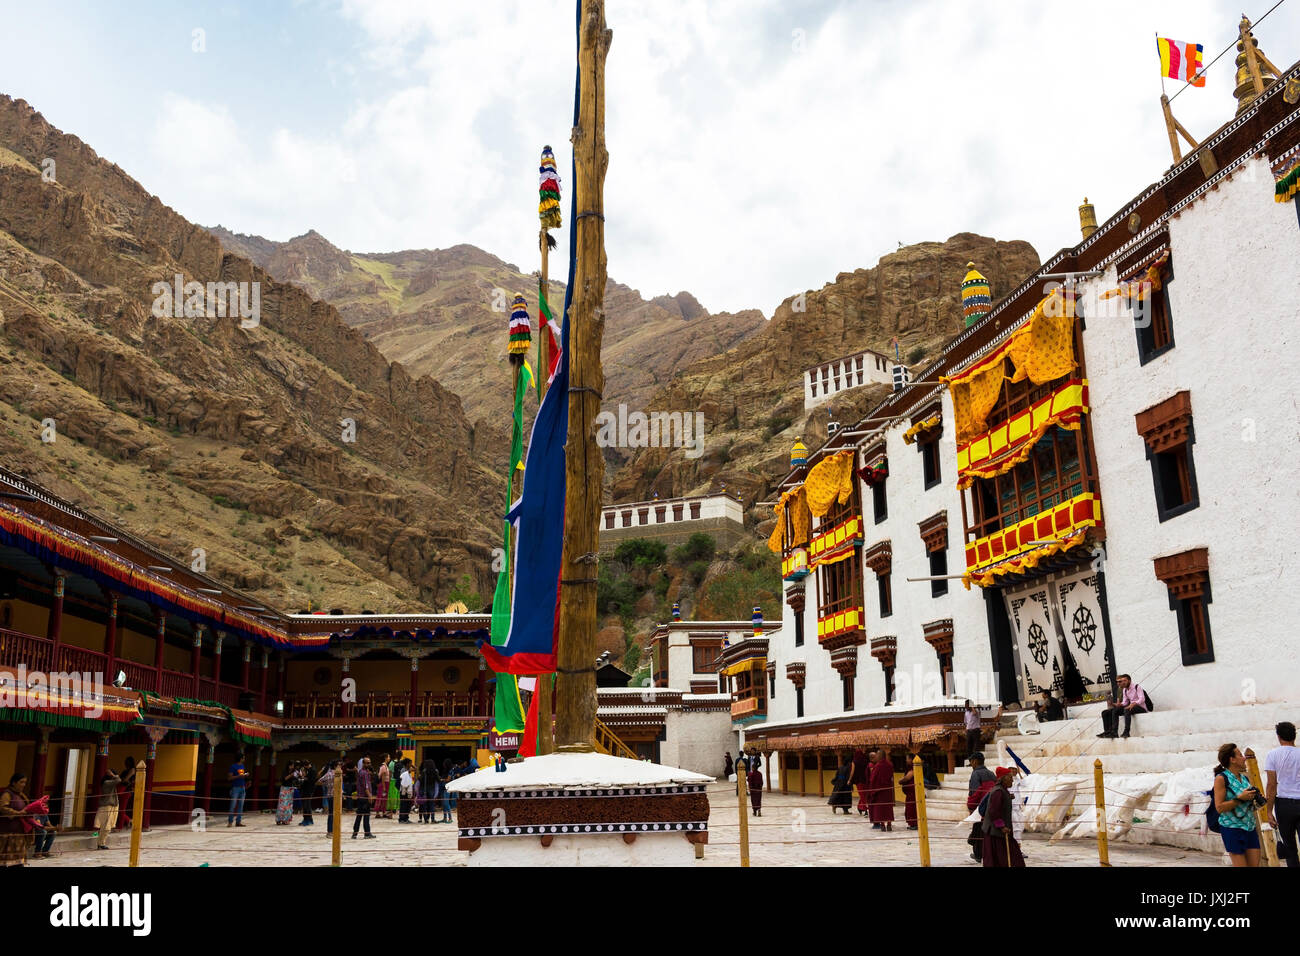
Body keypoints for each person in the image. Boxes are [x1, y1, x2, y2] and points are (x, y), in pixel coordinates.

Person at [1213, 743, 1261, 867]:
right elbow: (1219, 808)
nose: (1244, 758)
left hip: (1249, 827)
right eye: (1240, 755)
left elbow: (1247, 805)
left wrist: (1257, 800)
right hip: (1232, 828)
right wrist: (1240, 799)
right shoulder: (1221, 778)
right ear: (1232, 759)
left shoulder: (1244, 779)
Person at [1264, 721, 1299, 868]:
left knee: (1290, 848)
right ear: (1294, 736)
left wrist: (1269, 811)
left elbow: (1272, 785)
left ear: (1279, 737)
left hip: (1283, 805)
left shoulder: (1272, 755)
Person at [981, 767, 1026, 867]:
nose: (1012, 779)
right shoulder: (998, 792)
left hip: (1001, 832)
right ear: (1003, 779)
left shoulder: (1003, 791)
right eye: (1010, 777)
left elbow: (1001, 803)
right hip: (996, 832)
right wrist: (1001, 826)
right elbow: (994, 812)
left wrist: (1008, 797)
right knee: (1002, 859)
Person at [966, 752, 996, 863]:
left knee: (978, 830)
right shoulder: (991, 773)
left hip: (980, 807)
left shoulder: (976, 774)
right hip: (991, 805)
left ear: (975, 761)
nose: (971, 764)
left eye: (971, 762)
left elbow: (974, 793)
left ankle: (978, 854)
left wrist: (971, 807)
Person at [1098, 674, 1147, 738]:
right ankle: (1114, 732)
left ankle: (1126, 732)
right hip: (1131, 707)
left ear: (1129, 680)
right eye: (1121, 681)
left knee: (1126, 709)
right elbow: (1125, 702)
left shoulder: (1137, 687)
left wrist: (1134, 703)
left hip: (1141, 708)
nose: (1122, 682)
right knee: (1115, 710)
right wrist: (1117, 704)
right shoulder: (1125, 690)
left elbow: (1142, 699)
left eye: (1124, 680)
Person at [0, 773, 32, 867]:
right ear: (14, 783)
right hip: (8, 834)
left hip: (19, 833)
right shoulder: (7, 794)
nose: (23, 785)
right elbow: (3, 808)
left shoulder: (21, 795)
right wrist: (18, 813)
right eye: (21, 782)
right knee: (5, 862)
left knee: (18, 862)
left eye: (25, 782)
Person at [94, 768, 121, 849]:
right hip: (107, 806)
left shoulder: (108, 783)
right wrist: (113, 775)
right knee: (106, 827)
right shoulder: (107, 783)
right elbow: (118, 780)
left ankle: (101, 843)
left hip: (110, 806)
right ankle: (101, 843)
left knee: (105, 827)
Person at [869, 749, 895, 831]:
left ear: (880, 756)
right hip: (887, 791)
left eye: (877, 754)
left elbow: (873, 779)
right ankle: (889, 824)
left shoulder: (878, 766)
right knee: (888, 808)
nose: (876, 756)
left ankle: (883, 825)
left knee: (880, 809)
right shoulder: (890, 764)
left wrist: (872, 790)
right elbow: (891, 777)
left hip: (879, 791)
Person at [352, 757, 374, 839]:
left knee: (359, 815)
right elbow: (366, 786)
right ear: (363, 764)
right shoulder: (364, 773)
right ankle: (367, 833)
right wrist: (369, 796)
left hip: (360, 797)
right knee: (366, 815)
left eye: (369, 762)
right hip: (364, 797)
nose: (369, 764)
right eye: (367, 763)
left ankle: (355, 833)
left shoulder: (361, 772)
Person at [227, 752, 249, 828]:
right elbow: (229, 778)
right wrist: (238, 776)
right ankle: (230, 822)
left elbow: (241, 777)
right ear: (240, 758)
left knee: (241, 805)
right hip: (235, 788)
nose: (244, 759)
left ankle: (238, 822)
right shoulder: (233, 767)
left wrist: (245, 776)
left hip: (242, 787)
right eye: (243, 757)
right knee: (233, 805)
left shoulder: (242, 766)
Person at [900, 755, 919, 830]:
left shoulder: (914, 768)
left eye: (907, 759)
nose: (906, 760)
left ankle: (914, 824)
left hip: (912, 792)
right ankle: (912, 824)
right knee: (910, 808)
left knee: (912, 808)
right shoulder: (910, 768)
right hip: (910, 792)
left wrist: (900, 781)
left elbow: (908, 777)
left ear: (911, 759)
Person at [116, 757, 136, 830]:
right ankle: (128, 820)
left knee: (121, 809)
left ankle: (120, 827)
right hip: (120, 790)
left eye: (127, 762)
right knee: (118, 809)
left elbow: (125, 779)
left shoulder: (132, 770)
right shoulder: (125, 771)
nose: (125, 763)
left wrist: (122, 780)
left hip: (126, 791)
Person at [320, 760, 337, 836]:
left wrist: (326, 784)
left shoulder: (328, 774)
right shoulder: (337, 774)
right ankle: (331, 831)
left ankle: (331, 831)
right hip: (335, 796)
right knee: (333, 814)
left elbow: (319, 781)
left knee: (331, 814)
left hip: (330, 795)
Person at [852, 748, 870, 816]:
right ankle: (864, 809)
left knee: (862, 795)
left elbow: (852, 771)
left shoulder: (854, 761)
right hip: (865, 779)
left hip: (858, 780)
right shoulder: (865, 760)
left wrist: (850, 779)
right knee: (864, 795)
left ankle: (861, 807)